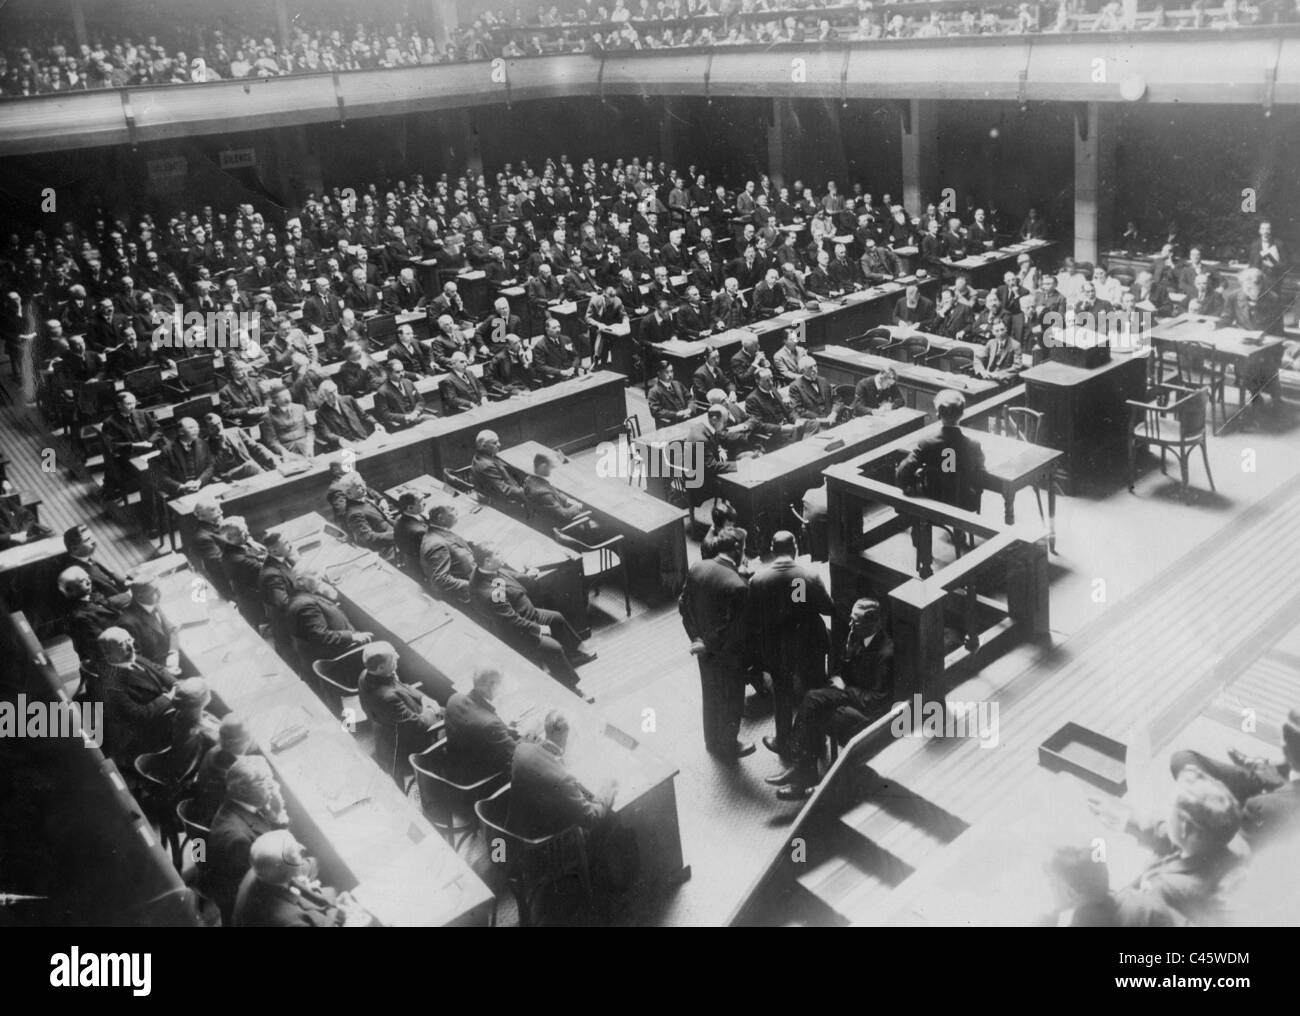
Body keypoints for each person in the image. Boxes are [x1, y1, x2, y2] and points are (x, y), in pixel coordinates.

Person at [767, 598, 895, 800]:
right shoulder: (857, 635)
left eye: (856, 622)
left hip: (866, 712)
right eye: (851, 620)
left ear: (873, 624)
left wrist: (846, 688)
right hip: (849, 695)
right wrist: (838, 677)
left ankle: (801, 767)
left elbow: (878, 699)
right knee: (813, 704)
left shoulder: (885, 653)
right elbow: (846, 666)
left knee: (813, 701)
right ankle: (803, 771)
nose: (851, 625)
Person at [749, 530, 833, 759]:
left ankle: (783, 740)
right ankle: (816, 738)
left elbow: (754, 619)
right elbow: (827, 608)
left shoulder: (758, 580)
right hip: (810, 645)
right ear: (795, 548)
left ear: (773, 550)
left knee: (782, 696)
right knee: (814, 691)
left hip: (778, 649)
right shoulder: (809, 576)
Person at [469, 543, 595, 693]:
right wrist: (539, 629)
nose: (501, 555)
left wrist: (528, 576)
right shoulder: (492, 593)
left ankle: (573, 655)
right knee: (553, 648)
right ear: (488, 561)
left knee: (556, 618)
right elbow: (511, 619)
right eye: (498, 553)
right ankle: (572, 689)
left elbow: (509, 576)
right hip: (518, 631)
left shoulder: (487, 570)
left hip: (529, 614)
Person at [679, 527, 754, 761]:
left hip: (702, 649)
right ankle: (729, 743)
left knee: (710, 694)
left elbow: (684, 605)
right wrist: (709, 644)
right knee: (732, 699)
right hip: (727, 654)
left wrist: (697, 638)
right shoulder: (738, 586)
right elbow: (732, 628)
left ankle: (711, 740)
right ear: (737, 549)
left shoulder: (698, 567)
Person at [505, 708, 616, 840]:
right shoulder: (563, 779)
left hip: (517, 824)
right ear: (562, 734)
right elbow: (590, 818)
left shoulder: (522, 748)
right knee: (612, 820)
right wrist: (608, 788)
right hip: (542, 838)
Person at [209, 756, 292, 923]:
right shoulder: (239, 841)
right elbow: (268, 879)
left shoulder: (233, 805)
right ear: (246, 792)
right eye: (268, 785)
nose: (276, 787)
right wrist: (280, 818)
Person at [233, 830, 373, 927]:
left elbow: (309, 866)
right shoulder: (288, 921)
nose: (303, 847)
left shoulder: (263, 868)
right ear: (284, 869)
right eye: (297, 852)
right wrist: (352, 922)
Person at [96, 626, 177, 769]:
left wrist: (175, 684)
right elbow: (139, 715)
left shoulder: (130, 656)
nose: (131, 646)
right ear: (108, 654)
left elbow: (158, 669)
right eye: (122, 644)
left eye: (129, 639)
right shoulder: (111, 685)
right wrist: (168, 697)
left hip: (162, 707)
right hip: (148, 731)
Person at [895, 388, 985, 513]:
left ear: (938, 415)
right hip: (964, 502)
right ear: (962, 414)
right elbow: (981, 474)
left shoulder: (926, 443)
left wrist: (913, 483)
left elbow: (903, 471)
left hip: (932, 498)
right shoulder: (973, 445)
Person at [357, 641, 443, 758]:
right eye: (393, 658)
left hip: (395, 722)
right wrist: (431, 710)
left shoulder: (366, 674)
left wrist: (423, 698)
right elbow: (417, 725)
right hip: (412, 737)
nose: (398, 656)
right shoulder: (387, 699)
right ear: (381, 667)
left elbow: (402, 686)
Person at [444, 665, 519, 783]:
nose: (502, 688)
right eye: (500, 684)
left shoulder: (454, 698)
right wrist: (528, 739)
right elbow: (516, 754)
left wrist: (504, 728)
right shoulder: (491, 724)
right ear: (490, 686)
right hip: (478, 781)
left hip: (452, 767)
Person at [286, 568, 373, 671]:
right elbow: (320, 637)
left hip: (342, 646)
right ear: (300, 580)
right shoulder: (305, 605)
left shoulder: (303, 597)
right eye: (315, 574)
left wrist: (328, 593)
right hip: (341, 658)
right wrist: (352, 636)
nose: (321, 577)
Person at [191, 715, 253, 826]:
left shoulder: (215, 749)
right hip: (210, 823)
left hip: (198, 805)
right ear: (245, 742)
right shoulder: (232, 774)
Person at [116, 577, 181, 673]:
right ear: (140, 596)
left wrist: (173, 652)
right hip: (163, 670)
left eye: (158, 589)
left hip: (174, 656)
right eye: (154, 591)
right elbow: (138, 660)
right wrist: (166, 671)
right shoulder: (127, 624)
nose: (160, 593)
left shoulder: (151, 602)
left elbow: (171, 628)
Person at [54, 524, 129, 604]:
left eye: (92, 537)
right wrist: (129, 594)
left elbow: (111, 576)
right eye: (87, 540)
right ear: (74, 548)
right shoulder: (77, 575)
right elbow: (101, 602)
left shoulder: (85, 557)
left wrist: (131, 581)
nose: (94, 542)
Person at [419, 503, 476, 602]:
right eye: (453, 512)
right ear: (441, 518)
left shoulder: (438, 531)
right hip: (469, 593)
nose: (457, 514)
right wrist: (473, 586)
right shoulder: (437, 544)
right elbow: (440, 580)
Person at [204, 412, 276, 480]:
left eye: (219, 423)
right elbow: (218, 466)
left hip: (249, 467)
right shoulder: (206, 444)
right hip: (229, 473)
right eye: (213, 427)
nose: (219, 428)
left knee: (272, 462)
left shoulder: (235, 431)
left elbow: (256, 447)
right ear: (207, 430)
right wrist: (222, 443)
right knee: (251, 466)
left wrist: (273, 459)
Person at [523, 451, 588, 527]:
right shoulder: (543, 493)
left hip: (545, 517)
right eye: (550, 467)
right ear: (543, 467)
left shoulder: (529, 480)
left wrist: (567, 500)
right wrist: (577, 507)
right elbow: (563, 515)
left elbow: (554, 493)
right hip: (560, 525)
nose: (552, 468)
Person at [157, 416, 215, 497]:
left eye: (197, 427)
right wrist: (181, 487)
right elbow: (162, 476)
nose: (196, 430)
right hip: (180, 493)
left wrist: (199, 482)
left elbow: (210, 466)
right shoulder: (167, 450)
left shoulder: (203, 444)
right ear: (181, 431)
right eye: (191, 427)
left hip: (202, 488)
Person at [338, 472, 395, 554]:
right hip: (387, 548)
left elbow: (384, 519)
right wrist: (396, 536)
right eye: (359, 486)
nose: (364, 488)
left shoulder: (361, 496)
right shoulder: (354, 514)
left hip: (392, 532)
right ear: (348, 493)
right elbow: (367, 539)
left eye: (363, 483)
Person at [314, 379, 381, 448]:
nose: (335, 395)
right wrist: (340, 440)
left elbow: (364, 415)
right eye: (330, 393)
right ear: (324, 396)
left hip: (362, 438)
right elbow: (327, 434)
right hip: (343, 445)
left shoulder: (348, 399)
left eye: (335, 391)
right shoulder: (320, 413)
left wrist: (375, 423)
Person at [787, 357, 850, 427]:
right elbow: (799, 410)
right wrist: (818, 419)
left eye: (815, 366)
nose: (814, 370)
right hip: (815, 424)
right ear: (802, 371)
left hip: (833, 420)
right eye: (810, 368)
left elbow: (837, 399)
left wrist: (833, 414)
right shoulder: (795, 386)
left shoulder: (823, 380)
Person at [374, 359, 432, 430]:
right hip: (401, 424)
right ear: (389, 373)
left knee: (432, 420)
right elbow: (385, 414)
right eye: (397, 372)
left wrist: (416, 412)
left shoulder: (408, 382)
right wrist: (405, 417)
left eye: (403, 371)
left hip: (416, 416)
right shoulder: (382, 392)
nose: (402, 374)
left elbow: (420, 400)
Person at [260, 385, 315, 458]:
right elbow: (272, 441)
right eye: (282, 396)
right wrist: (284, 452)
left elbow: (309, 429)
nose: (287, 398)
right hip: (287, 449)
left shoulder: (301, 408)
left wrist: (310, 444)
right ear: (275, 400)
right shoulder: (268, 417)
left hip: (306, 445)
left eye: (288, 394)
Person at [471, 429, 525, 503]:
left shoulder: (484, 455)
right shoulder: (486, 466)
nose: (499, 445)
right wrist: (524, 493)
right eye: (494, 443)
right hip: (503, 501)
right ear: (484, 446)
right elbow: (504, 490)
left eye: (498, 441)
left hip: (511, 486)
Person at [647, 362, 693, 428]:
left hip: (687, 418)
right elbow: (656, 411)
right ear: (659, 373)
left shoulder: (678, 384)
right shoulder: (653, 391)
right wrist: (676, 414)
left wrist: (690, 409)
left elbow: (690, 398)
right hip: (670, 424)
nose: (670, 374)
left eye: (671, 371)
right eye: (667, 372)